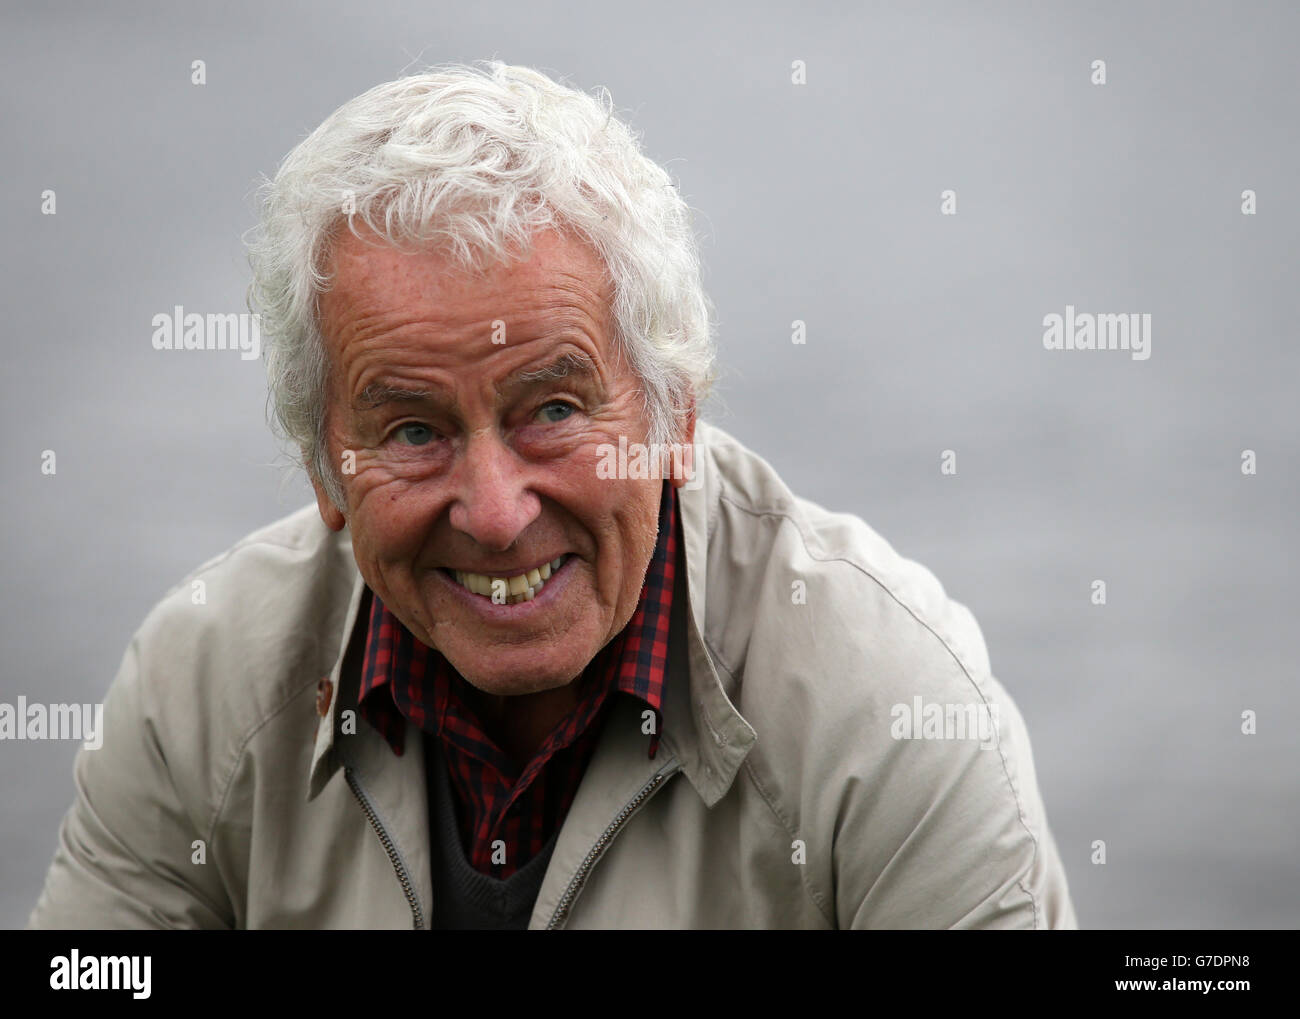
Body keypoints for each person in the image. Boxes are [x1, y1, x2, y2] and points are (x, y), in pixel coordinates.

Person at [28, 61, 1076, 929]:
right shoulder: (199, 685)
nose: (493, 511)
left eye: (555, 410)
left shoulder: (893, 712)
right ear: (324, 469)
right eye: (411, 430)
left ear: (675, 417)